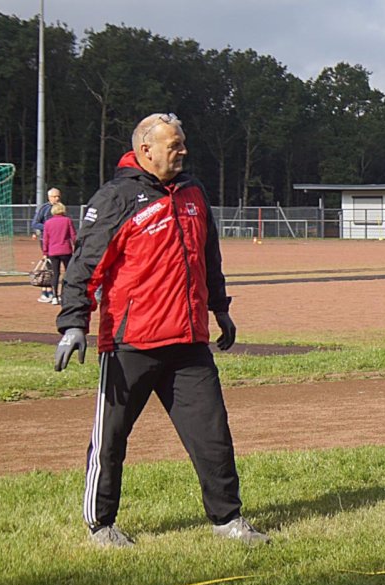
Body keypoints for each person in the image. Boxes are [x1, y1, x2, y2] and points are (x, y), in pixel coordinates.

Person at [54, 113, 268, 548]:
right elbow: (83, 268)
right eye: (174, 145)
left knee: (213, 436)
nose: (183, 151)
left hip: (189, 343)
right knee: (110, 439)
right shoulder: (117, 197)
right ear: (146, 150)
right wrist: (74, 323)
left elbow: (209, 257)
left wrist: (219, 308)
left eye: (183, 143)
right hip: (130, 344)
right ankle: (101, 525)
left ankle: (227, 519)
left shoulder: (193, 193)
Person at [40, 202, 76, 306]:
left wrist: (45, 252)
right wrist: (76, 247)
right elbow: (73, 235)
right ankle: (65, 295)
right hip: (66, 250)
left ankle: (54, 296)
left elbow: (46, 239)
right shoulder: (67, 220)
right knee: (68, 273)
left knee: (55, 274)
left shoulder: (48, 223)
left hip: (53, 251)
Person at [31, 187, 61, 303]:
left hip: (59, 242)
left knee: (55, 268)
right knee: (49, 266)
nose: (57, 198)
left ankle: (51, 292)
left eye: (58, 196)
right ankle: (46, 292)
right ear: (49, 197)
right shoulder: (44, 208)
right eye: (54, 196)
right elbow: (35, 223)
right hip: (47, 241)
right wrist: (49, 228)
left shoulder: (61, 208)